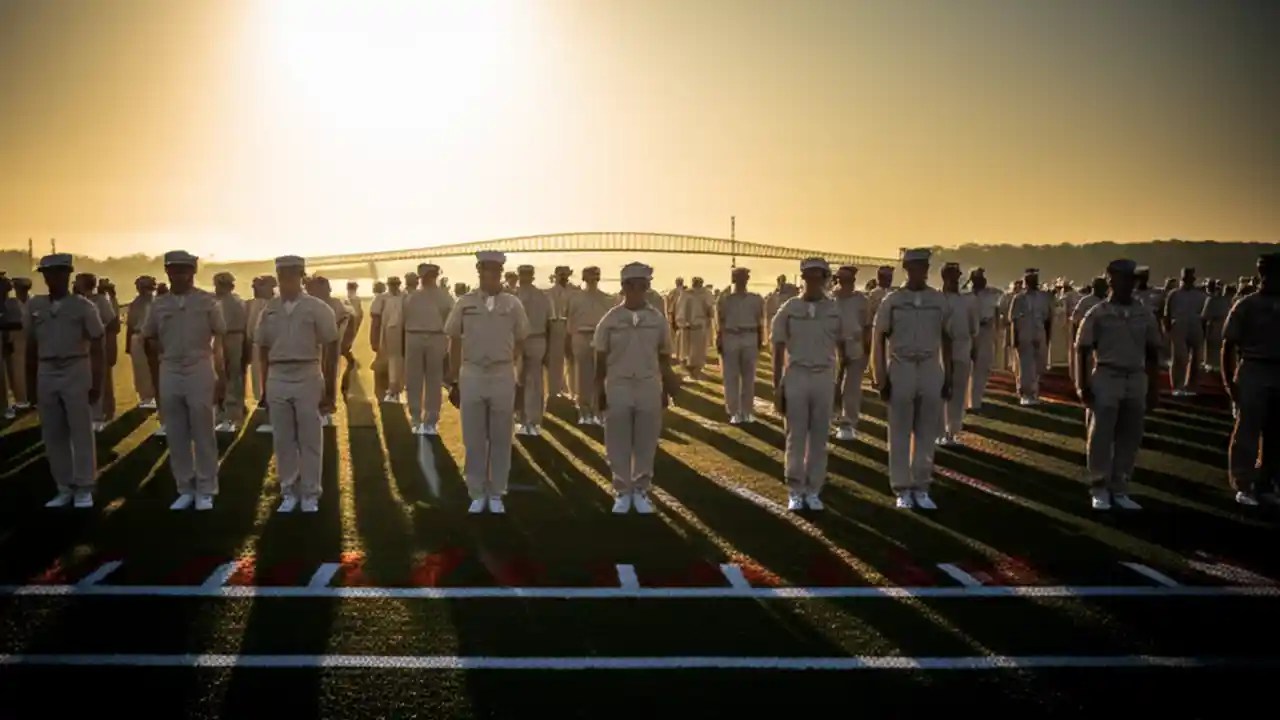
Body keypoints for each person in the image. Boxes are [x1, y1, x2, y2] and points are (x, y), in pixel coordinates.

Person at [444, 250, 530, 514]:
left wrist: (509, 365)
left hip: (501, 373)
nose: (493, 275)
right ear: (479, 271)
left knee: (502, 435)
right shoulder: (464, 303)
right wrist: (454, 379)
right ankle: (477, 491)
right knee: (474, 436)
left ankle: (496, 493)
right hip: (472, 373)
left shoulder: (513, 304)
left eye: (497, 271)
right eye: (488, 270)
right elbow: (454, 340)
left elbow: (521, 338)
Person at [255, 256, 340, 513]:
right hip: (278, 374)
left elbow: (331, 344)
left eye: (292, 275)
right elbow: (262, 348)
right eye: (282, 276)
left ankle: (310, 493)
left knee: (310, 436)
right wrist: (264, 386)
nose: (286, 281)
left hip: (307, 371)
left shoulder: (317, 308)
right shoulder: (269, 309)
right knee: (283, 438)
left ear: (301, 276)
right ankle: (288, 490)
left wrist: (330, 388)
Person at [1075, 259, 1161, 511]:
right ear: (1111, 280)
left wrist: (1154, 387)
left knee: (1130, 435)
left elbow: (1153, 351)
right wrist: (1082, 385)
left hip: (1135, 376)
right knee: (1101, 434)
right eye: (1123, 278)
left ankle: (1120, 487)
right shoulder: (1098, 312)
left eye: (1131, 279)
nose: (1128, 284)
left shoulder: (1143, 312)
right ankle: (1099, 487)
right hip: (1107, 375)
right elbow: (1082, 349)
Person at [143, 251, 226, 511]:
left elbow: (220, 339)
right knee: (176, 431)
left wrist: (220, 375)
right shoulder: (158, 304)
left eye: (184, 270)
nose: (179, 275)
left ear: (193, 271)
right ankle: (185, 487)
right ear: (167, 272)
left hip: (199, 364)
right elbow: (150, 337)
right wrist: (159, 369)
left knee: (202, 429)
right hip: (170, 366)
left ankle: (206, 488)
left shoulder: (208, 301)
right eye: (174, 270)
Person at [595, 262, 680, 514]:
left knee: (646, 439)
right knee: (617, 439)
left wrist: (666, 388)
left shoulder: (657, 319)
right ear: (624, 287)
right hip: (619, 383)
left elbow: (664, 356)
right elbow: (600, 357)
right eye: (633, 286)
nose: (639, 290)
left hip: (648, 383)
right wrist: (599, 389)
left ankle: (641, 489)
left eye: (644, 286)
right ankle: (622, 490)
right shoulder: (610, 320)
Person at [873, 248, 952, 509]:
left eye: (924, 266)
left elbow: (947, 337)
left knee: (927, 431)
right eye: (916, 266)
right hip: (902, 365)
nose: (921, 271)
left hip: (930, 365)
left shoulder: (937, 299)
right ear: (906, 269)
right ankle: (902, 488)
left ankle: (921, 486)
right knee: (899, 431)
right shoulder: (893, 301)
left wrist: (948, 375)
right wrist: (880, 377)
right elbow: (878, 339)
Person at [24, 254, 105, 508]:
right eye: (49, 274)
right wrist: (30, 386)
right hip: (47, 368)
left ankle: (84, 486)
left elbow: (97, 345)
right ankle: (64, 485)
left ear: (68, 275)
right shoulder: (35, 305)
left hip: (75, 365)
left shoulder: (83, 306)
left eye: (59, 273)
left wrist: (97, 382)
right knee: (53, 431)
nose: (54, 278)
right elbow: (30, 346)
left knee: (80, 429)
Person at [772, 257, 846, 512]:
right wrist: (777, 385)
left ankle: (813, 489)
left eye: (818, 277)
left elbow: (844, 349)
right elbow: (778, 346)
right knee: (795, 435)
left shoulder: (835, 310)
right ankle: (795, 489)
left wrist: (840, 384)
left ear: (826, 279)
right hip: (797, 374)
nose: (813, 282)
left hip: (824, 375)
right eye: (808, 277)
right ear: (802, 279)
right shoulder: (790, 308)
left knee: (819, 436)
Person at [1223, 253, 1280, 506]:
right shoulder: (1246, 305)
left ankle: (1267, 482)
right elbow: (1228, 345)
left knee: (1276, 434)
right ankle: (1244, 484)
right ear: (1263, 275)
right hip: (1253, 371)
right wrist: (1229, 383)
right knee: (1247, 431)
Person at [403, 262, 454, 435]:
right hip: (424, 336)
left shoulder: (412, 296)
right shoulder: (442, 296)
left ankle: (423, 419)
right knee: (422, 379)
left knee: (425, 379)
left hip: (429, 336)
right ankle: (423, 419)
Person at [565, 266, 615, 425]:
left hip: (599, 337)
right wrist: (569, 339)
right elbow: (569, 321)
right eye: (590, 276)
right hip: (581, 336)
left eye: (595, 276)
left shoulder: (607, 299)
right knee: (583, 375)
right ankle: (584, 410)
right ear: (584, 278)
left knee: (599, 375)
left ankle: (597, 410)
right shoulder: (575, 298)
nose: (593, 279)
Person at [716, 267, 765, 425]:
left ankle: (747, 411)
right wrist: (719, 339)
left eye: (744, 277)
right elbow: (720, 321)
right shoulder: (725, 299)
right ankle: (734, 411)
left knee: (749, 377)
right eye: (738, 277)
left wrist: (759, 339)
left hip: (749, 335)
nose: (741, 280)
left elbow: (760, 321)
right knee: (731, 376)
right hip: (730, 335)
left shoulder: (755, 299)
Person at [938, 261, 978, 445]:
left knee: (958, 392)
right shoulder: (935, 300)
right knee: (939, 391)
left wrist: (972, 350)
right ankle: (940, 430)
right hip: (938, 352)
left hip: (961, 349)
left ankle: (952, 430)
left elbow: (973, 329)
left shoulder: (967, 301)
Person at [831, 265, 870, 440]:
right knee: (832, 386)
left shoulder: (861, 300)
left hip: (854, 346)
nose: (847, 284)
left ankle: (848, 423)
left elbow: (867, 326)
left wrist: (867, 350)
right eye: (843, 281)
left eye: (850, 281)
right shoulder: (829, 299)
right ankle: (831, 417)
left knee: (851, 388)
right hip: (832, 347)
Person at [76, 272, 118, 430]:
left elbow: (109, 320)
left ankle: (100, 415)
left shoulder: (100, 300)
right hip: (82, 346)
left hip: (98, 344)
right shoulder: (78, 301)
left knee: (100, 379)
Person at [515, 264, 551, 436]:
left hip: (521, 340)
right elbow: (550, 321)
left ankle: (525, 420)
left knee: (521, 381)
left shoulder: (513, 296)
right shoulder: (542, 296)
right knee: (534, 382)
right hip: (538, 339)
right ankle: (533, 421)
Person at [1008, 269, 1052, 405]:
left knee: (1039, 365)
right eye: (1031, 280)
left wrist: (1048, 337)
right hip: (1024, 334)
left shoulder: (1043, 298)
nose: (1034, 283)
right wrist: (1014, 338)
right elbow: (1013, 320)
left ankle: (1034, 392)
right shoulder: (1019, 298)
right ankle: (1026, 394)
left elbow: (1047, 319)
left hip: (1039, 333)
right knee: (1025, 365)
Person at [212, 272, 248, 433]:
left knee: (231, 374)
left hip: (232, 337)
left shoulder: (233, 302)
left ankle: (232, 414)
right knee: (223, 375)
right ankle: (227, 409)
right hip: (225, 337)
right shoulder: (225, 301)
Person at [1164, 267, 1207, 396]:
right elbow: (1167, 313)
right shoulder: (1174, 294)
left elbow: (1204, 315)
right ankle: (1178, 386)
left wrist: (1203, 330)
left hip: (1195, 325)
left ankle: (1191, 385)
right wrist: (1168, 330)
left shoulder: (1201, 295)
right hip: (1179, 325)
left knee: (1196, 358)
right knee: (1179, 358)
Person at [966, 268, 1001, 411]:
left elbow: (996, 312)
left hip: (985, 332)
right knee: (965, 368)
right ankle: (965, 400)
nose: (981, 280)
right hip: (967, 333)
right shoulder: (965, 296)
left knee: (982, 367)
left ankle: (975, 400)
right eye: (977, 278)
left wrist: (995, 330)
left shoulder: (991, 294)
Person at [370, 275, 406, 402]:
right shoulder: (382, 298)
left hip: (401, 335)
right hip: (385, 334)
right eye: (392, 284)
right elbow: (375, 319)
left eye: (396, 284)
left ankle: (395, 391)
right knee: (385, 362)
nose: (394, 286)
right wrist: (373, 339)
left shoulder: (405, 297)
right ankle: (385, 391)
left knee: (398, 363)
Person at [125, 276, 158, 410]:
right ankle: (145, 397)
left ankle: (154, 396)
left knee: (153, 368)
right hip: (138, 337)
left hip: (152, 338)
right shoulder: (136, 303)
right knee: (140, 369)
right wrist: (128, 344)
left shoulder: (156, 302)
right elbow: (130, 325)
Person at [546, 266, 576, 398]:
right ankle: (555, 391)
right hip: (556, 327)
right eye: (561, 274)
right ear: (556, 276)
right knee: (556, 362)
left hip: (572, 327)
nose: (563, 277)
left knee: (572, 361)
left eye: (565, 274)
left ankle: (573, 391)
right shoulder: (549, 293)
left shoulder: (574, 292)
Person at [4, 276, 33, 417]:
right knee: (16, 371)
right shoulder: (11, 303)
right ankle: (21, 400)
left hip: (32, 339)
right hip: (16, 339)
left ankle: (30, 398)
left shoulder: (33, 302)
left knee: (30, 370)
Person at [678, 277, 714, 378]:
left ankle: (694, 371)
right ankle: (693, 371)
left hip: (692, 325)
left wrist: (682, 322)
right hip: (695, 325)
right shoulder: (704, 294)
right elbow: (710, 311)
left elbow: (680, 310)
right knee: (694, 350)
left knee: (692, 350)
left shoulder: (687, 294)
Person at [1201, 279, 1230, 373]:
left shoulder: (1227, 300)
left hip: (1223, 325)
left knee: (1220, 347)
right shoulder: (1211, 300)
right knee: (1212, 347)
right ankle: (1211, 367)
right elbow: (1205, 315)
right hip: (1214, 325)